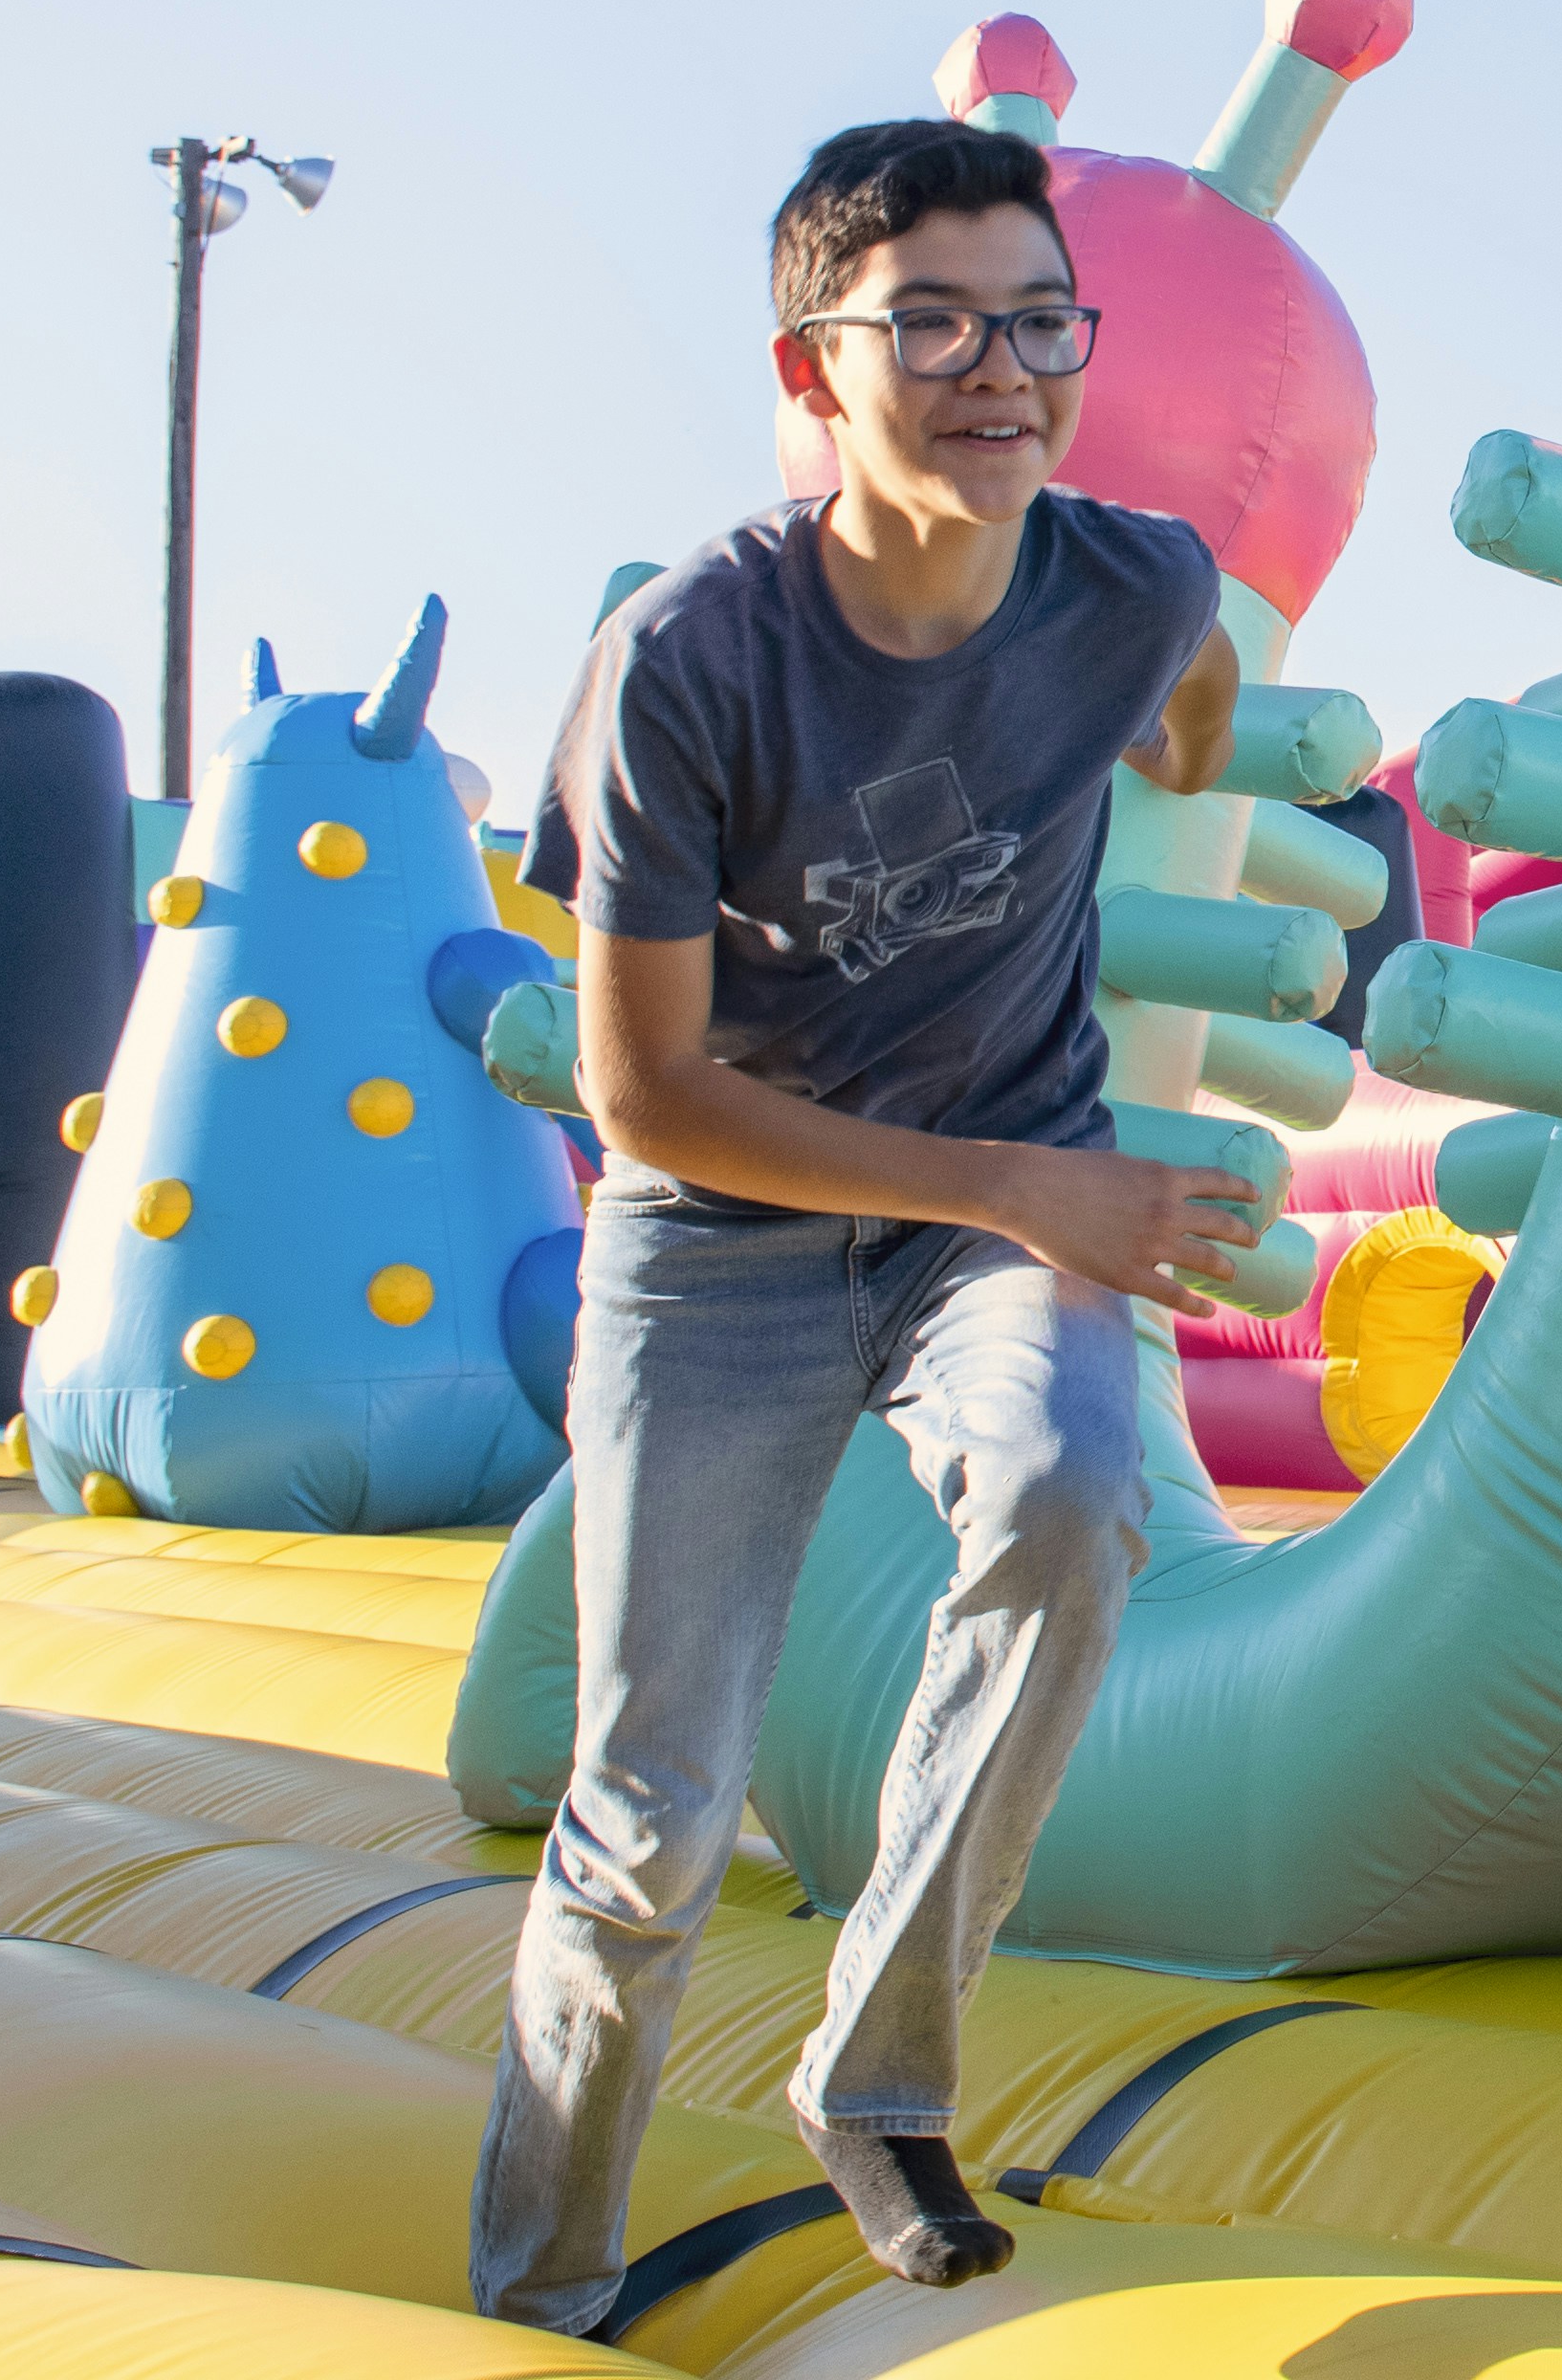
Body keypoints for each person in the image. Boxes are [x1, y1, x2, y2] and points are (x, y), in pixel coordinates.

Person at [470, 116, 1270, 2330]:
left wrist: (1188, 739)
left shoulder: (1134, 583)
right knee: (648, 1815)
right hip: (722, 1227)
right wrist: (1030, 1184)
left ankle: (876, 2064)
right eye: (927, 322)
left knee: (1065, 1495)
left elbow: (1187, 691)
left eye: (1037, 319)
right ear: (813, 369)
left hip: (986, 1212)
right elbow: (645, 1089)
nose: (996, 366)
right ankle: (541, 2283)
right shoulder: (690, 658)